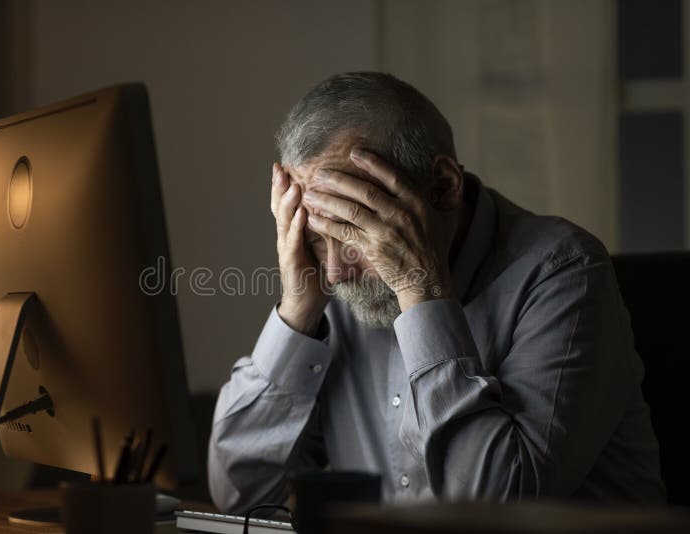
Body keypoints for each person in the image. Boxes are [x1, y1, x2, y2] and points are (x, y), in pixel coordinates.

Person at [207, 72, 665, 513]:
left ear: (444, 187)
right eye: (313, 239)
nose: (333, 271)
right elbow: (240, 496)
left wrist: (420, 291)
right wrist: (296, 313)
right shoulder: (332, 285)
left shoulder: (564, 269)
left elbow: (494, 511)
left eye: (355, 233)